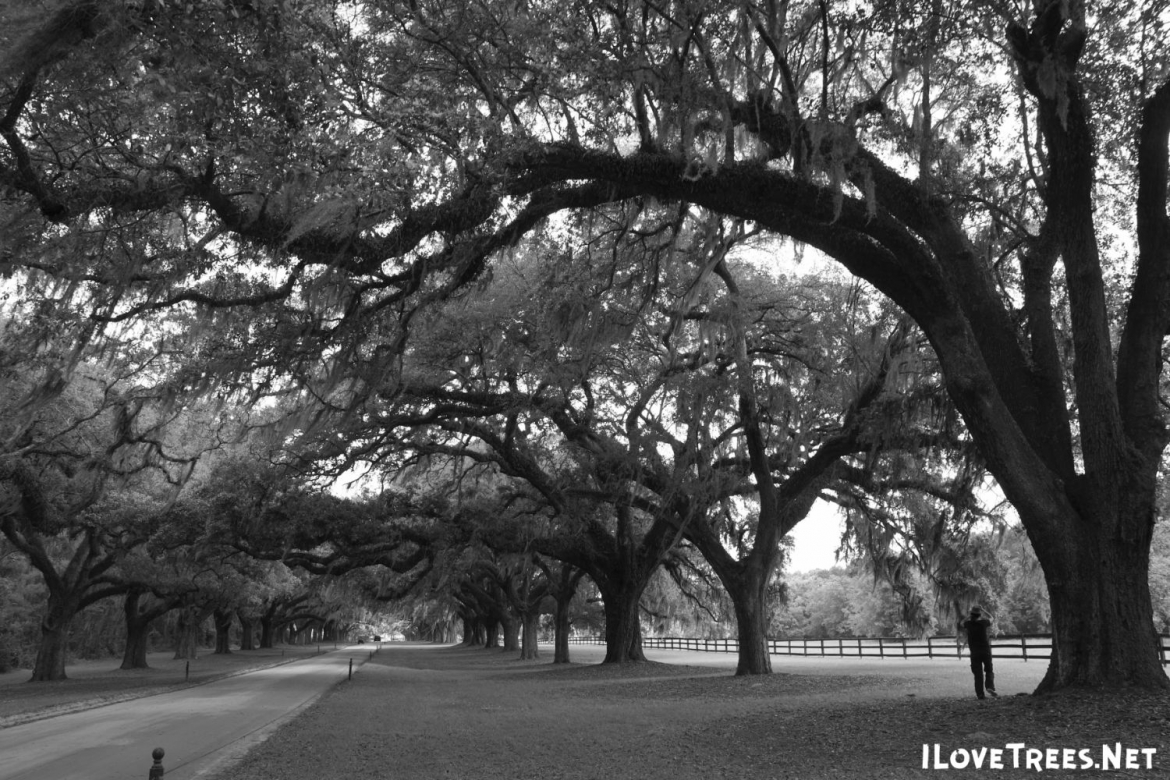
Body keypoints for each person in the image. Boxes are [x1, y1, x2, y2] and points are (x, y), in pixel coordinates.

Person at [959, 605, 997, 699]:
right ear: (979, 615)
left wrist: (969, 614)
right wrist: (983, 609)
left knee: (978, 674)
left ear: (972, 615)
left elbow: (961, 623)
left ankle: (980, 694)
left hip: (975, 653)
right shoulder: (984, 623)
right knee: (989, 670)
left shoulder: (968, 624)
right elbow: (992, 618)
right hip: (985, 651)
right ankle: (989, 686)